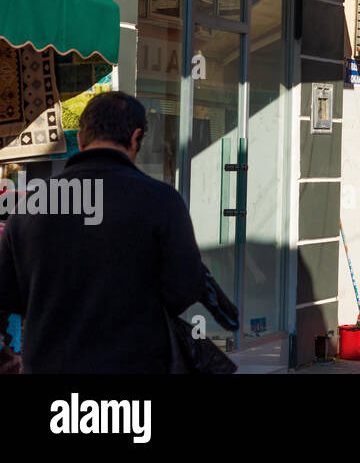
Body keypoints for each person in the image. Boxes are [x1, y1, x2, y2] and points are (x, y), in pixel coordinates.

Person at [0, 91, 207, 373]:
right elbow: (187, 287)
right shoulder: (162, 201)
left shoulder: (30, 206)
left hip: (50, 367)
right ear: (136, 139)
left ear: (82, 141)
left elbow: (7, 293)